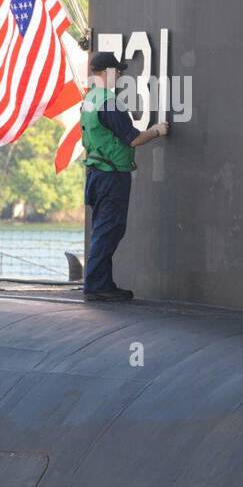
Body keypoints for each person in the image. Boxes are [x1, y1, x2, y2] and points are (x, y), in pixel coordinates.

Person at [79, 52, 168, 301]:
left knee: (103, 228)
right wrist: (156, 131)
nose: (118, 76)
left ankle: (101, 282)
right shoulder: (109, 102)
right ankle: (97, 285)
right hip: (111, 176)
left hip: (95, 174)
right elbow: (134, 138)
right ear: (106, 72)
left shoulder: (89, 99)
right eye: (117, 72)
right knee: (109, 229)